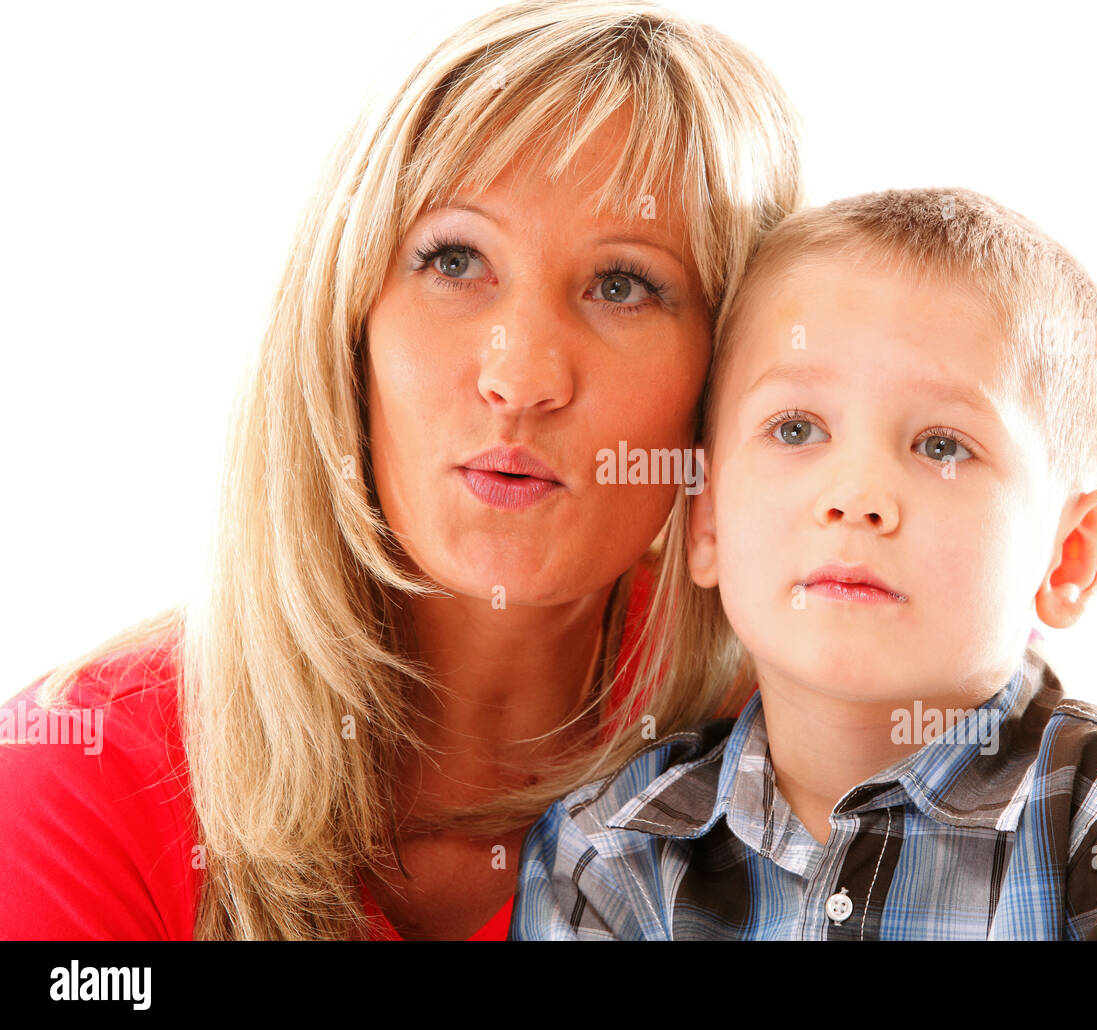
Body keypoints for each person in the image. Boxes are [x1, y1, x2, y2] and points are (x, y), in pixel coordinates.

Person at [0, 0, 804, 940]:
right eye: (455, 260)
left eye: (623, 284)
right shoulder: (86, 772)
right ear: (349, 322)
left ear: (724, 376)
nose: (521, 377)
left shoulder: (818, 760)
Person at [511, 187, 1097, 940]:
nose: (857, 497)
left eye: (941, 446)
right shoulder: (609, 852)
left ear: (1069, 555)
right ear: (705, 518)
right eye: (796, 428)